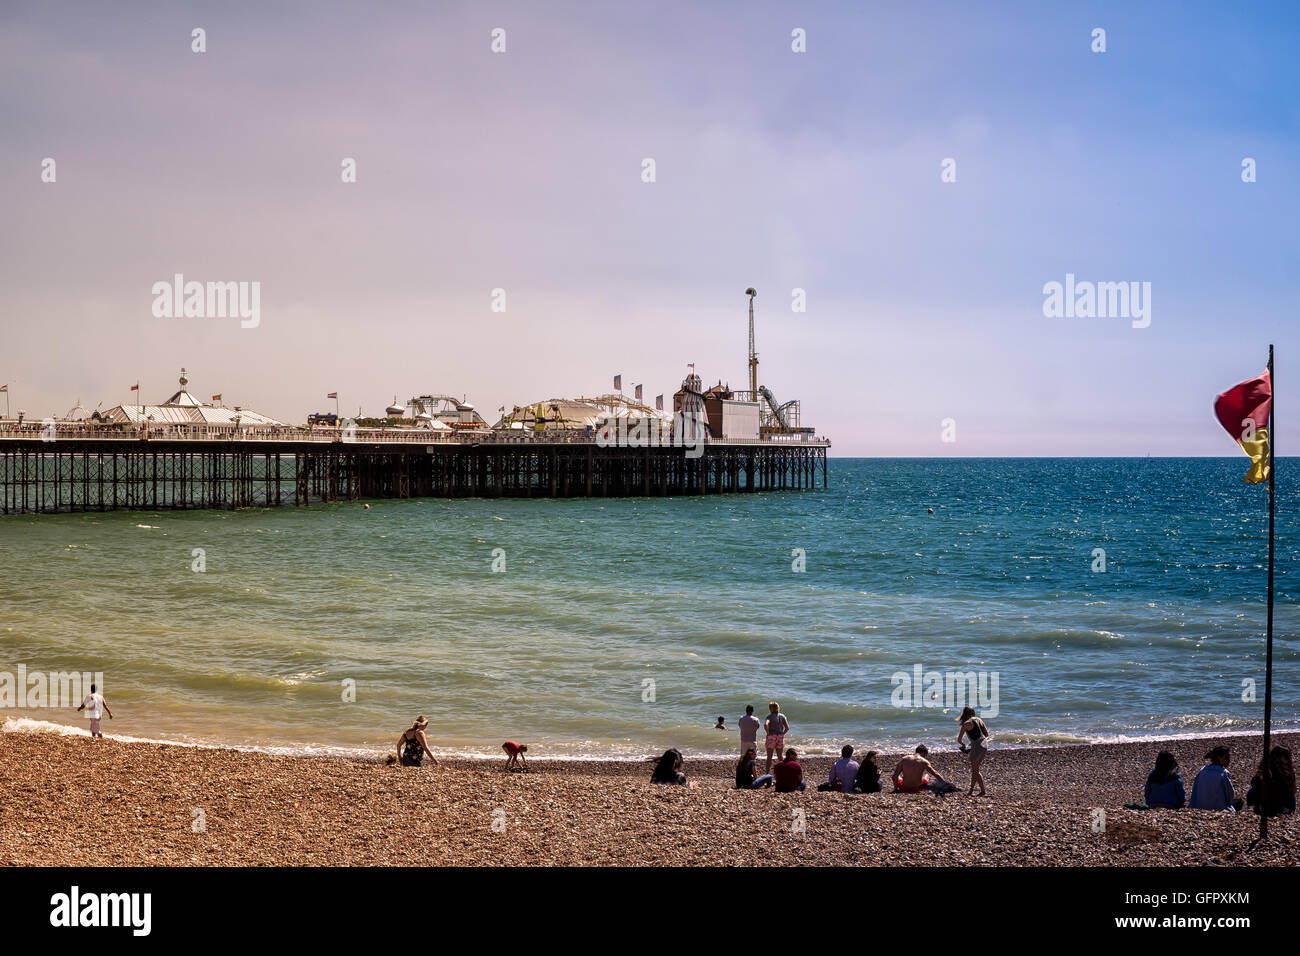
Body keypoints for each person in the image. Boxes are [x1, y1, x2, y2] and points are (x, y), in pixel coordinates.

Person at [1246, 746, 1296, 817]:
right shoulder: (1287, 772)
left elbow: (1254, 784)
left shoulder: (1267, 768)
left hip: (1267, 805)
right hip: (1283, 805)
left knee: (1253, 790)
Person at [1188, 746, 1243, 811]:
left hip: (1199, 806)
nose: (1229, 760)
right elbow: (1230, 795)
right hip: (1218, 808)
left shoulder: (1203, 770)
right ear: (1218, 758)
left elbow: (1195, 791)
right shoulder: (1223, 772)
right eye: (1226, 757)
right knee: (1239, 802)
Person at [956, 706, 989, 796]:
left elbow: (959, 739)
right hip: (984, 744)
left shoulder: (966, 724)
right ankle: (979, 791)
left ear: (964, 714)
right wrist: (975, 742)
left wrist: (964, 745)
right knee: (976, 770)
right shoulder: (979, 720)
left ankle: (974, 791)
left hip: (977, 746)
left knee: (975, 770)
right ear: (973, 712)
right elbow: (986, 734)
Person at [763, 702, 790, 774]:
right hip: (780, 737)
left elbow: (765, 725)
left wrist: (768, 733)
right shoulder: (782, 716)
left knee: (769, 757)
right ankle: (783, 773)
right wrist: (782, 734)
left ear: (770, 709)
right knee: (780, 756)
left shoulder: (769, 716)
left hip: (772, 736)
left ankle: (767, 774)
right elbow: (787, 728)